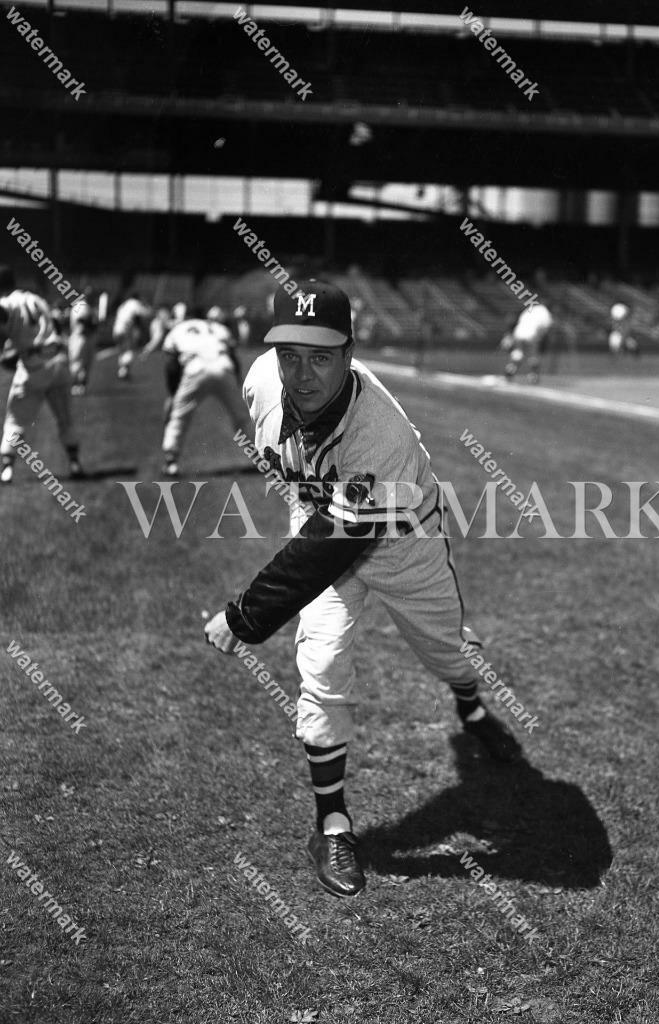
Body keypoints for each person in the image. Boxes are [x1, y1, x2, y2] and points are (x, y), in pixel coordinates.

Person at [203, 280, 522, 899]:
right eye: (290, 355)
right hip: (322, 516)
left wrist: (244, 617)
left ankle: (471, 706)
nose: (302, 374)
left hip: (403, 538)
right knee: (321, 664)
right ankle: (333, 824)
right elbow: (317, 520)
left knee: (447, 650)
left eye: (321, 357)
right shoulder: (261, 380)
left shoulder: (380, 432)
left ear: (350, 354)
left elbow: (333, 546)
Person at [0, 267, 83, 485]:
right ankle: (75, 464)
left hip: (34, 365)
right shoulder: (35, 298)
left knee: (16, 419)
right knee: (65, 419)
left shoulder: (6, 303)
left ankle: (7, 469)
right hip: (59, 361)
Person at [141, 310, 248, 477]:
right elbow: (233, 357)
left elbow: (171, 364)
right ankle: (266, 458)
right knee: (242, 417)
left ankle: (171, 461)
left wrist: (172, 394)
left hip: (195, 367)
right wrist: (238, 382)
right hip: (223, 366)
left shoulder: (178, 329)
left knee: (179, 416)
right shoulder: (218, 327)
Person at [500, 301, 553, 383]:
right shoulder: (545, 313)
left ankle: (510, 371)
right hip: (531, 334)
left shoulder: (530, 309)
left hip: (519, 332)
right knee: (533, 355)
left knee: (518, 352)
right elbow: (545, 328)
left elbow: (520, 319)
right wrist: (540, 339)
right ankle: (533, 376)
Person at [68, 287, 99, 395]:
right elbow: (82, 321)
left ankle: (81, 386)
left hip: (85, 338)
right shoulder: (82, 306)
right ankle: (74, 386)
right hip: (80, 338)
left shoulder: (88, 307)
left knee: (86, 365)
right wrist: (94, 324)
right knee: (77, 364)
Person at [112, 292, 148, 380]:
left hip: (116, 329)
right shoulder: (135, 303)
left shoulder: (124, 304)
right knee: (129, 350)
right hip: (126, 330)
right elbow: (142, 314)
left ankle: (122, 371)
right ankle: (123, 371)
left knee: (122, 351)